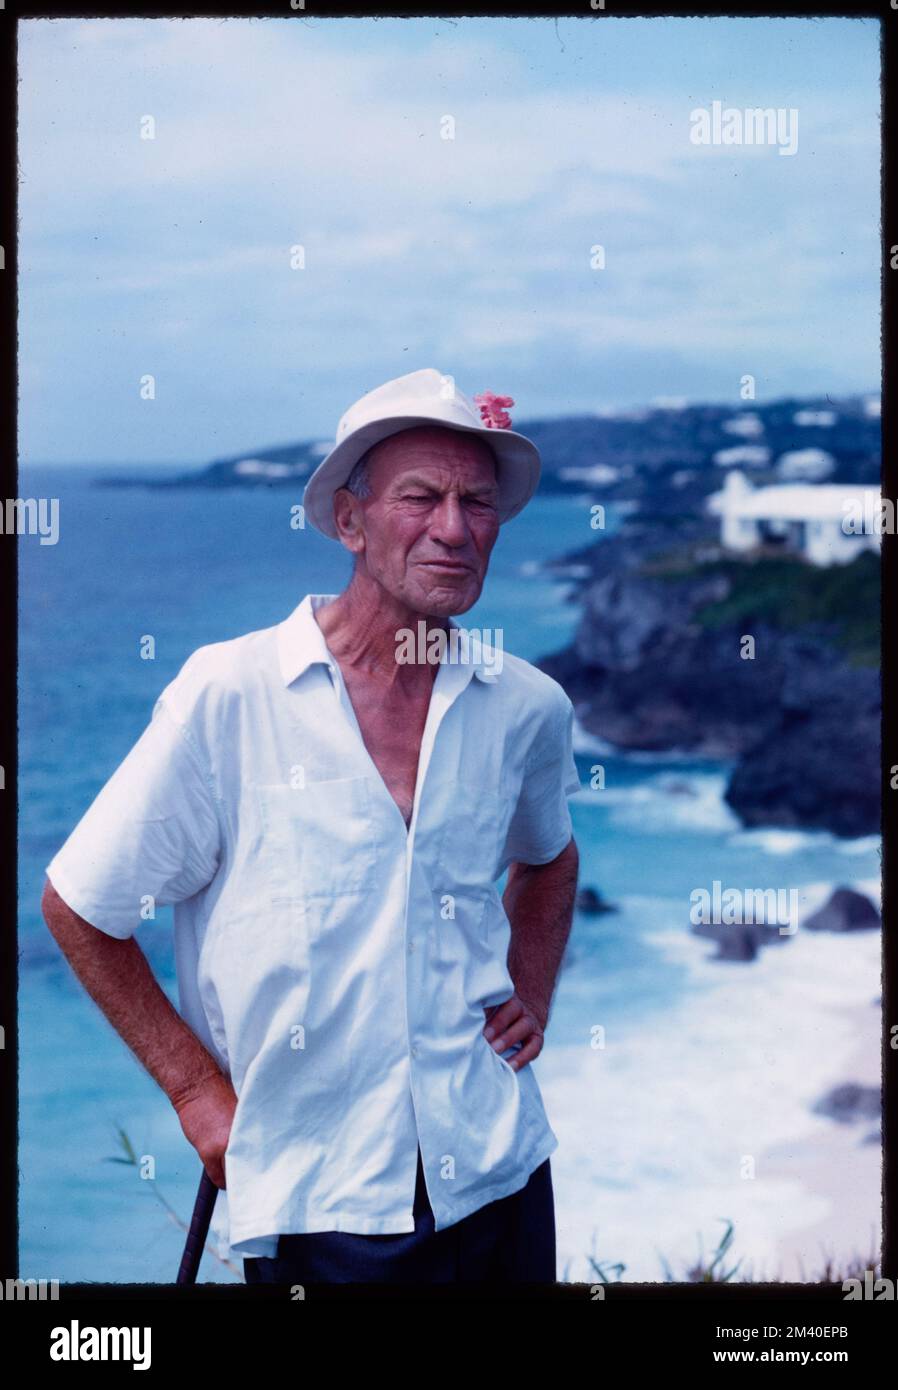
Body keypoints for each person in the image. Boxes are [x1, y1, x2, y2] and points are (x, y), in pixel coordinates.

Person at [42, 366, 581, 1286]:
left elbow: (550, 860)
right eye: (420, 497)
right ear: (348, 520)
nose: (454, 528)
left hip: (498, 1169)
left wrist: (530, 991)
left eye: (477, 502)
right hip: (319, 1200)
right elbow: (81, 905)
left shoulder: (524, 706)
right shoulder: (232, 695)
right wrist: (192, 1091)